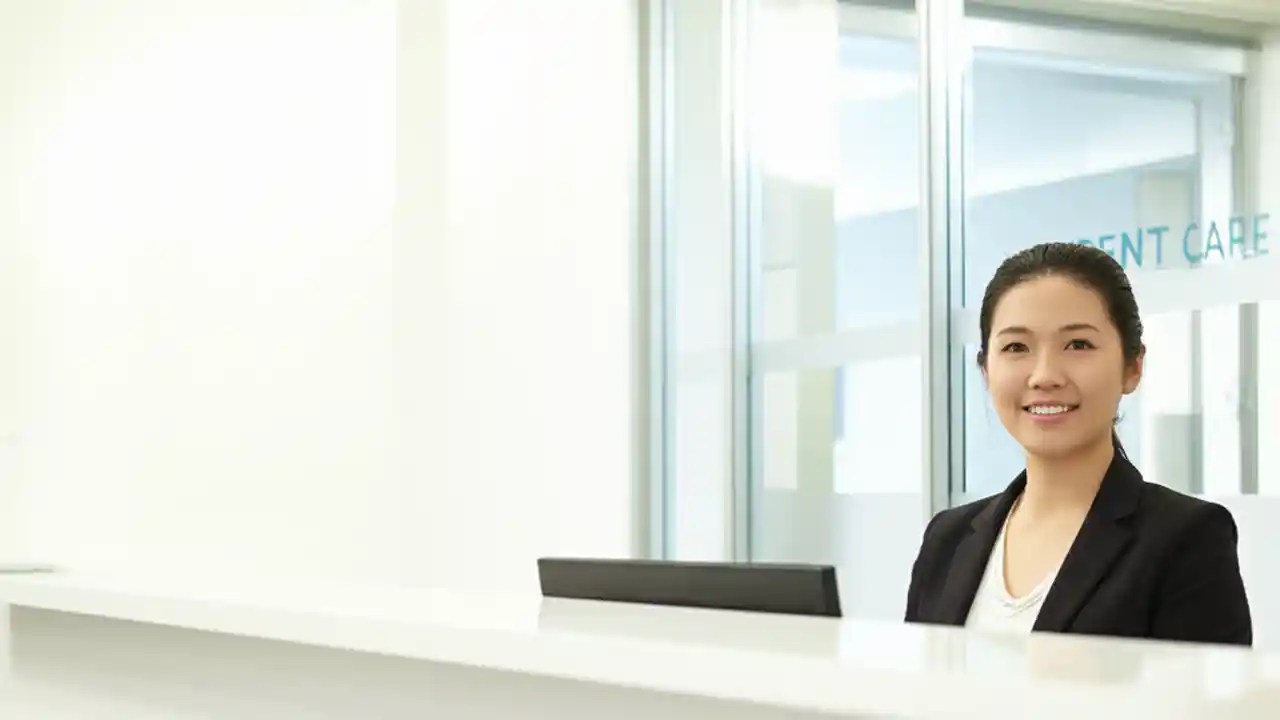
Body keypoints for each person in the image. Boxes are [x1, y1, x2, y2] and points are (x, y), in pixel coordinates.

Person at [904, 242, 1252, 646]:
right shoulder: (946, 539)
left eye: (1078, 345)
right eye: (1016, 347)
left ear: (1132, 367)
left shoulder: (1186, 539)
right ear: (985, 370)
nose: (1045, 376)